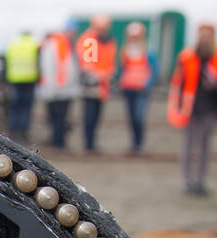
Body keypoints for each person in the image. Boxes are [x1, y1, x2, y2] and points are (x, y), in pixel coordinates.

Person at [168, 23, 217, 195]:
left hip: (209, 108)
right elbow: (178, 82)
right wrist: (177, 105)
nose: (205, 38)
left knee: (204, 146)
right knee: (189, 145)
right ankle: (188, 181)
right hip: (191, 108)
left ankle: (200, 181)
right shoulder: (187, 56)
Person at [76, 14, 117, 152]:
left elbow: (110, 61)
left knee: (96, 117)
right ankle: (89, 144)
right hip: (91, 87)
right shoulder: (90, 40)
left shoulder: (107, 41)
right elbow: (88, 66)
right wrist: (102, 75)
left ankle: (92, 143)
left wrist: (108, 74)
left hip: (102, 87)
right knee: (90, 116)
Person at [37, 24, 79, 150]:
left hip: (60, 89)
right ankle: (58, 141)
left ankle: (58, 141)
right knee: (58, 117)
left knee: (58, 117)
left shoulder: (58, 44)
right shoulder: (58, 44)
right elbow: (52, 68)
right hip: (59, 90)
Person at [117, 21, 158, 153]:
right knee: (131, 118)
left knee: (139, 117)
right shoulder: (125, 50)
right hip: (128, 88)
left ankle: (139, 144)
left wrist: (148, 84)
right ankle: (134, 144)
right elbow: (122, 69)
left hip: (142, 90)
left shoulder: (148, 51)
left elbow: (154, 70)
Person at [4, 30, 40, 144]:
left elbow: (6, 61)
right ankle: (24, 133)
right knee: (26, 108)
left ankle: (13, 132)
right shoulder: (34, 45)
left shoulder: (13, 45)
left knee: (15, 108)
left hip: (15, 80)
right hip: (30, 80)